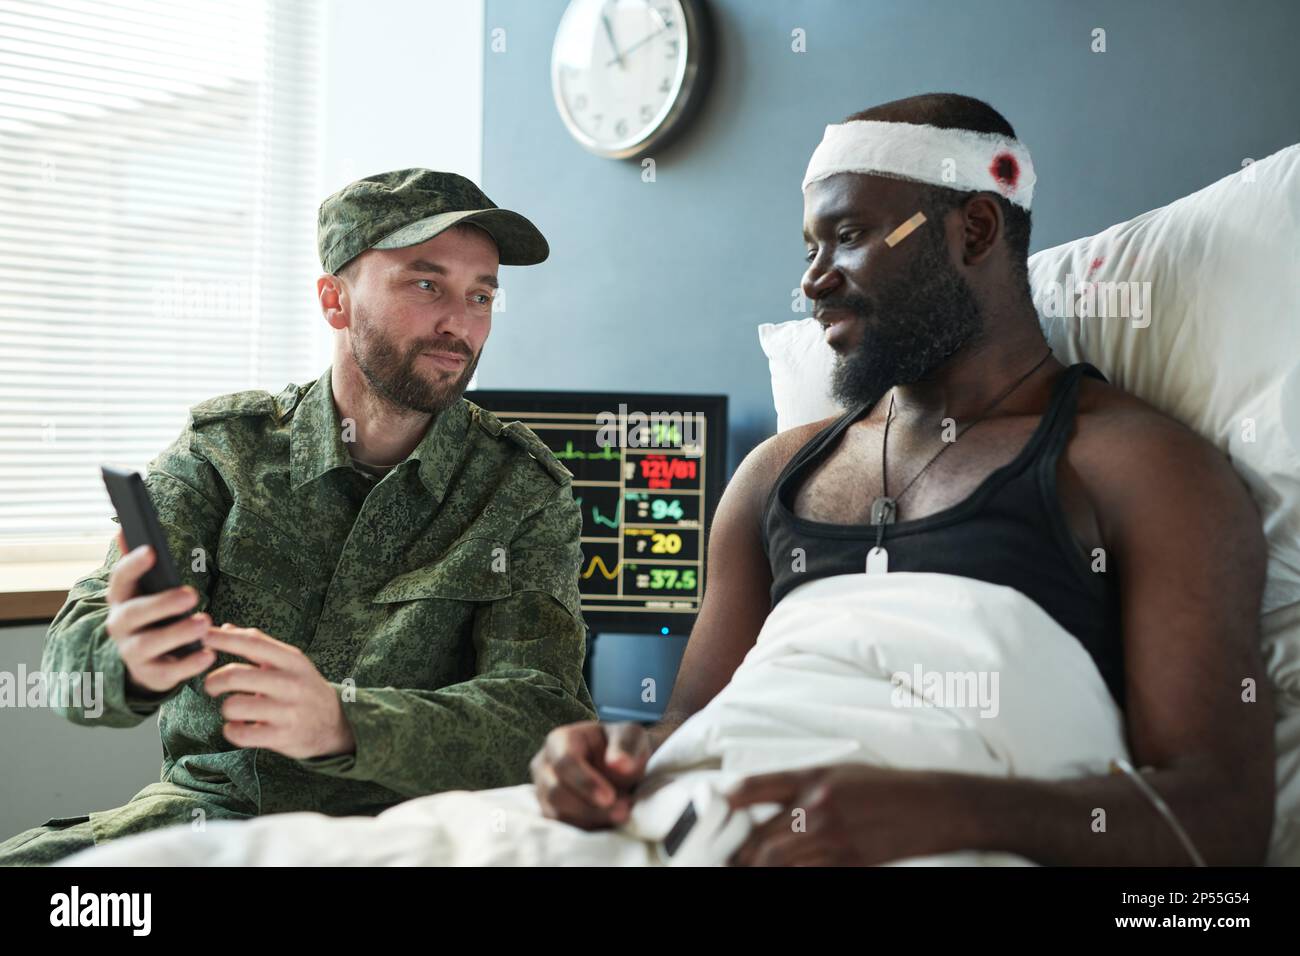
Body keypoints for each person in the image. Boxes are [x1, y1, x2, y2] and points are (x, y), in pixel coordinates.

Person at [531, 94, 1275, 866]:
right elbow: (686, 725)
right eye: (809, 249)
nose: (814, 281)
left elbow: (1220, 819)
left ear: (974, 230)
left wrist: (946, 814)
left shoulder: (1132, 466)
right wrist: (603, 759)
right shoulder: (771, 478)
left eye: (847, 236)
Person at [1, 169, 596, 866]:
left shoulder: (520, 490)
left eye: (482, 295)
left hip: (415, 835)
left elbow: (542, 717)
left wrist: (346, 723)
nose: (459, 323)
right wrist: (126, 658)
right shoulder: (224, 454)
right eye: (425, 284)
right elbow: (74, 670)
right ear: (334, 300)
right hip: (209, 825)